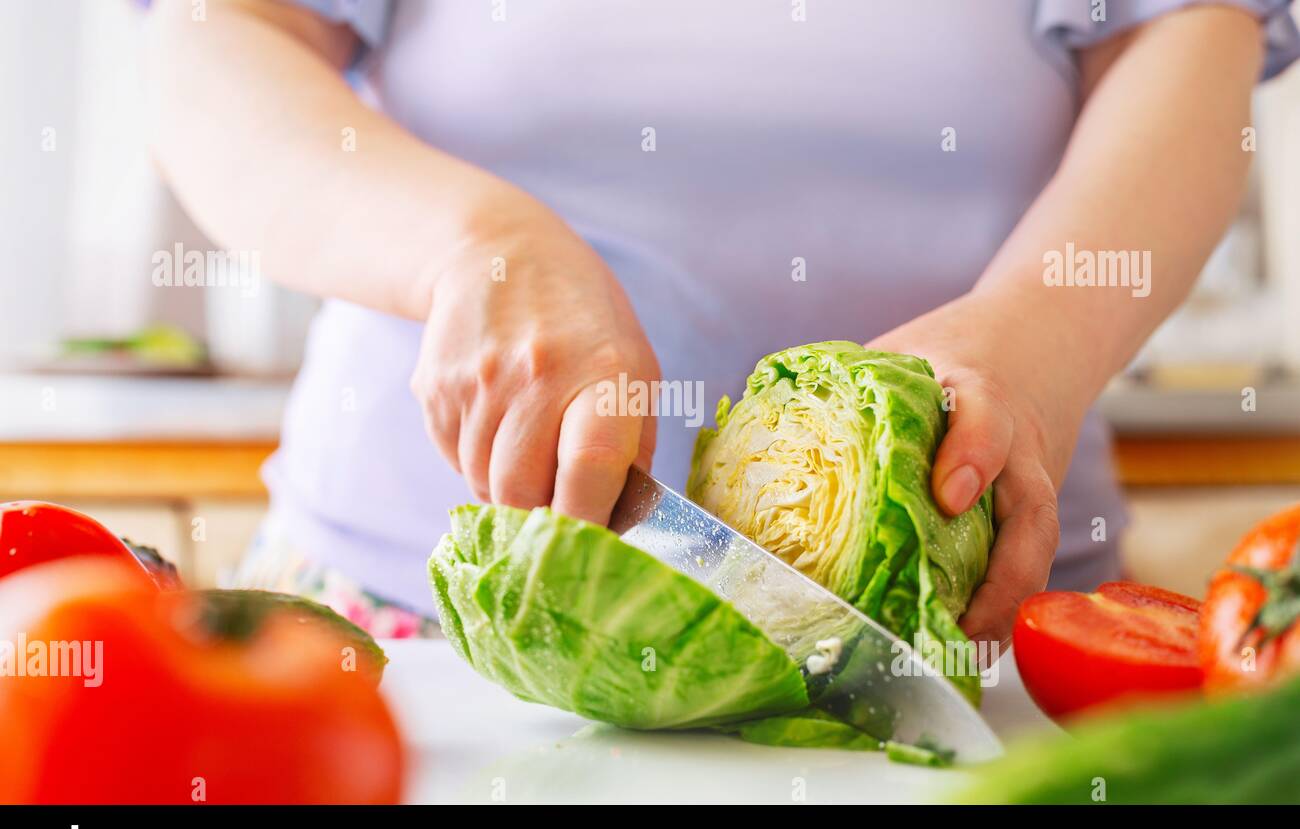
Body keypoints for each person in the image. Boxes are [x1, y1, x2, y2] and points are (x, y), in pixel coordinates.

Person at [145, 0, 1299, 644]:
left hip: (971, 630)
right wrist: (474, 249)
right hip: (399, 616)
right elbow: (217, 43)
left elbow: (1186, 46)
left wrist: (1032, 344)